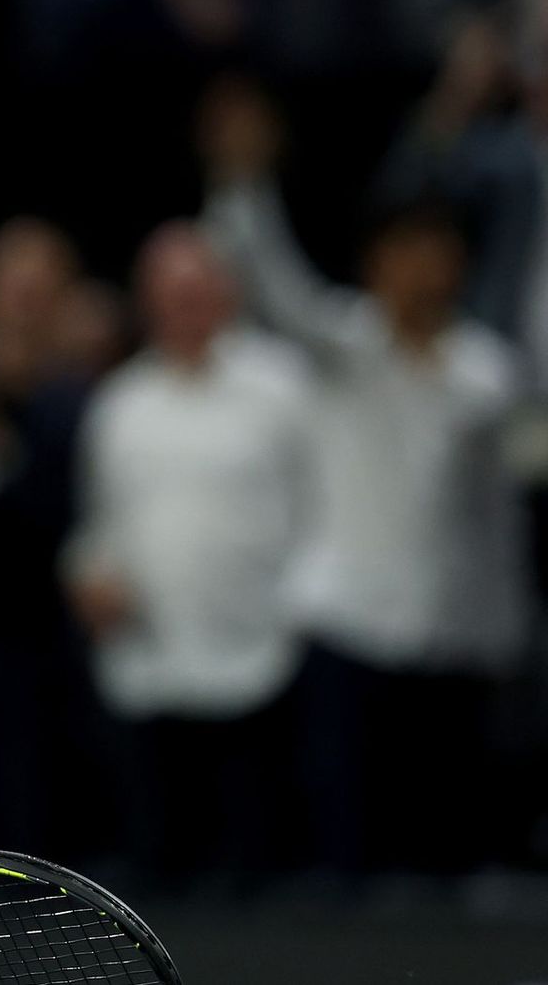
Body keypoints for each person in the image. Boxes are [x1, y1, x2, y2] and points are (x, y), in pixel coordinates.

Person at [200, 72, 534, 875]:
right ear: (376, 264)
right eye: (402, 251)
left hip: (453, 632)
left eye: (436, 251)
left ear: (457, 264)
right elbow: (270, 282)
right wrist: (243, 182)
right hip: (346, 623)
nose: (420, 269)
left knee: (442, 850)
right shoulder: (342, 347)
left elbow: (498, 517)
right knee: (349, 858)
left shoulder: (488, 377)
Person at [63, 222, 311, 885]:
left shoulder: (282, 389)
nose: (185, 307)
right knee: (163, 884)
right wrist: (91, 575)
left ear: (227, 294)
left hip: (260, 665)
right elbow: (98, 523)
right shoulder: (122, 403)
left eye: (199, 291)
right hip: (149, 668)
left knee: (255, 884)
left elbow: (323, 509)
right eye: (170, 294)